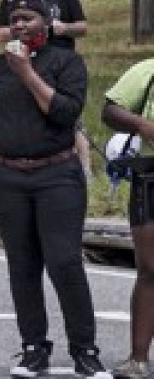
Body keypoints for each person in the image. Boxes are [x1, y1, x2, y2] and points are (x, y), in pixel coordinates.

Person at [0, 0, 109, 378]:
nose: (20, 24)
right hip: (6, 177)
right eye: (15, 19)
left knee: (64, 262)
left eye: (28, 17)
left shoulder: (67, 62)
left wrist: (27, 74)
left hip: (56, 175)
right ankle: (33, 348)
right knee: (22, 266)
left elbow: (65, 113)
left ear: (46, 21)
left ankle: (85, 350)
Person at [0, 0, 93, 174]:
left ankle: (84, 168)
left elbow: (83, 27)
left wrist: (64, 28)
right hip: (23, 59)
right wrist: (26, 27)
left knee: (69, 116)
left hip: (60, 62)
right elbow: (0, 33)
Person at [102, 57, 154, 378]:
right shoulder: (148, 71)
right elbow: (110, 110)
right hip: (151, 177)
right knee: (150, 268)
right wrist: (142, 125)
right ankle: (138, 359)